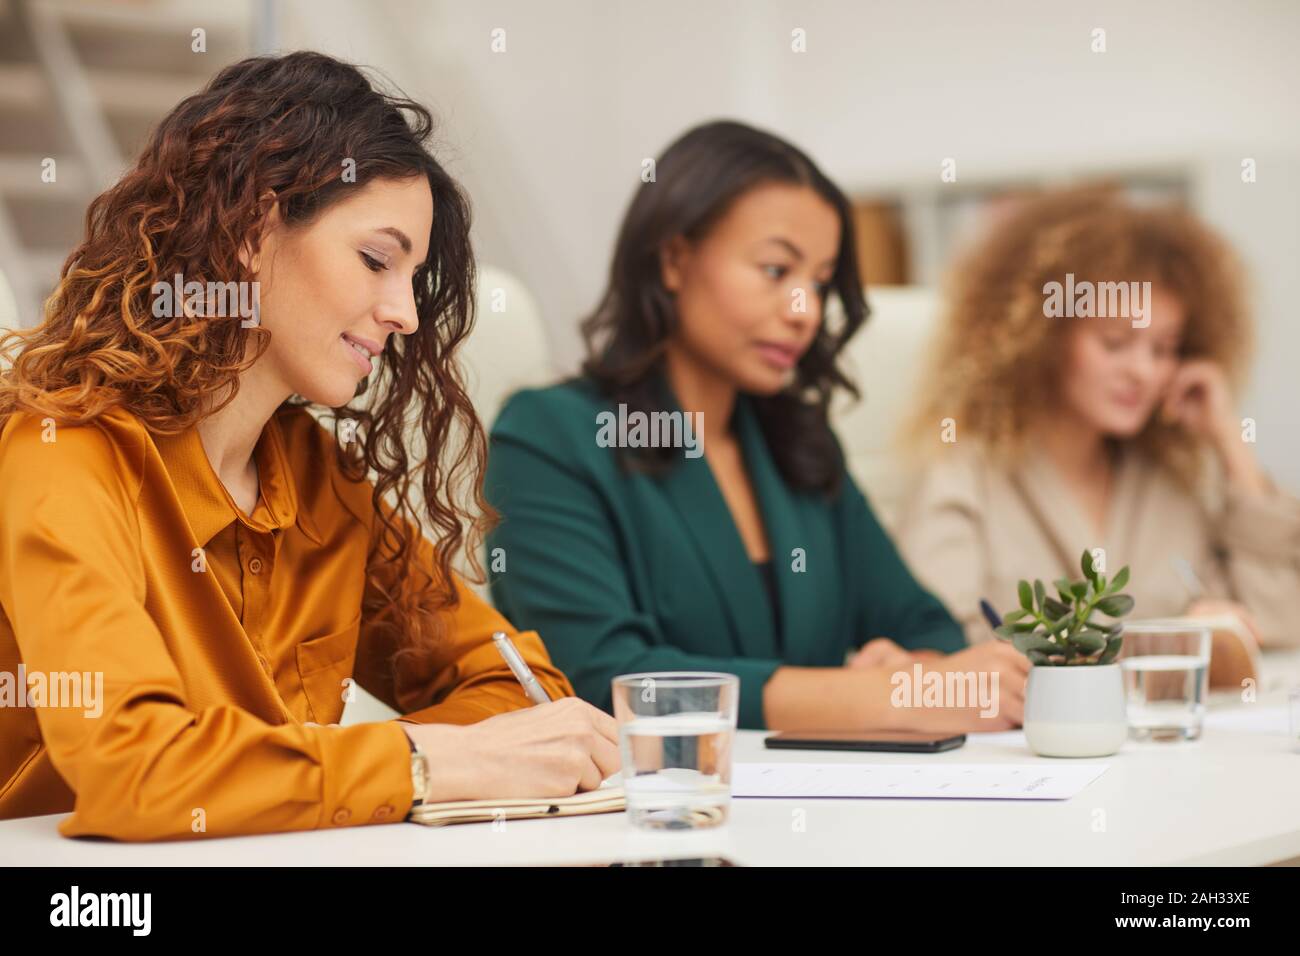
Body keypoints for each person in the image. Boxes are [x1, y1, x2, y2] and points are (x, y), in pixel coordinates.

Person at [0, 52, 618, 841]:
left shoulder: (320, 478)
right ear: (252, 232)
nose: (406, 314)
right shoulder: (64, 454)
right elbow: (138, 773)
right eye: (376, 260)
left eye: (414, 276)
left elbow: (521, 694)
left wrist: (303, 774)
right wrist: (417, 763)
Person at [484, 120, 1028, 734]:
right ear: (674, 258)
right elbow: (602, 678)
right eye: (776, 270)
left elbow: (923, 624)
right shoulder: (549, 435)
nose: (807, 312)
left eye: (819, 282)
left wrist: (917, 670)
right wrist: (881, 697)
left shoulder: (794, 442)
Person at [895, 186, 1300, 665]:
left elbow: (1279, 620)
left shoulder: (1172, 480)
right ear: (1042, 338)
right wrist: (1173, 643)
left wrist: (1231, 442)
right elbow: (938, 649)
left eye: (1163, 348)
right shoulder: (962, 469)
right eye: (1115, 342)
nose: (1144, 372)